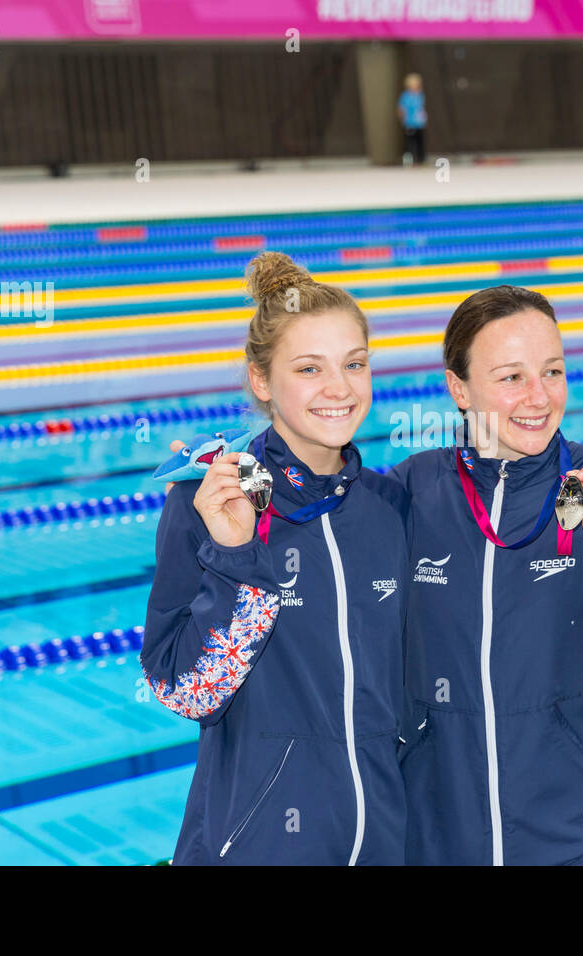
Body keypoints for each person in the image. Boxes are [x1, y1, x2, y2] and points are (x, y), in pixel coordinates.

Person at [390, 285, 583, 866]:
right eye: (510, 377)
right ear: (459, 388)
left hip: (572, 838)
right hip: (430, 840)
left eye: (552, 371)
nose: (539, 397)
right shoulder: (411, 493)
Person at [140, 251, 411, 865]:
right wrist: (236, 556)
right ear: (262, 381)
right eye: (309, 368)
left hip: (384, 843)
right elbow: (189, 693)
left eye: (354, 364)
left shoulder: (387, 506)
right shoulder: (207, 500)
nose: (339, 388)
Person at [397, 73, 427, 166]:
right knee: (410, 143)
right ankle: (410, 160)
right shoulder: (405, 96)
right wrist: (402, 119)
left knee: (420, 142)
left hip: (420, 123)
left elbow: (421, 108)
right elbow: (401, 109)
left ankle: (421, 160)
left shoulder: (420, 95)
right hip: (410, 123)